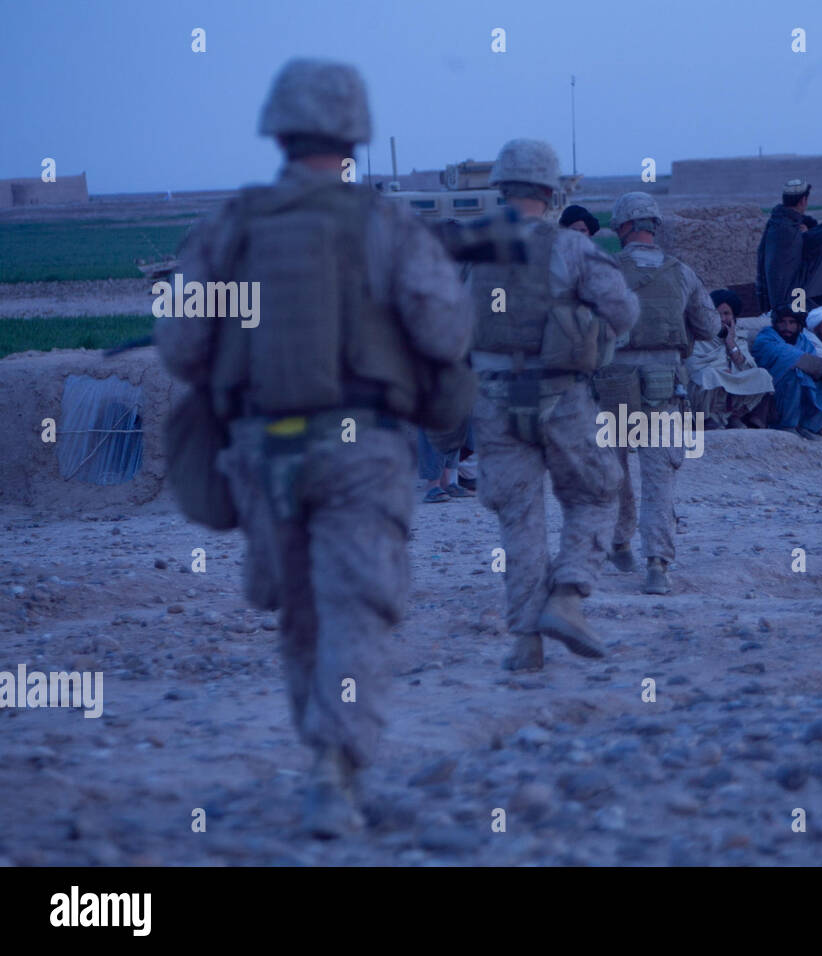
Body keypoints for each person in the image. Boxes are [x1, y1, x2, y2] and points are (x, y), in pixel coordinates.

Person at [153, 59, 474, 838]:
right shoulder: (386, 224)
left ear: (280, 127)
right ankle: (336, 768)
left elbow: (181, 343)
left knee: (298, 609)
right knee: (354, 605)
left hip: (264, 450)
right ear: (354, 131)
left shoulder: (233, 223)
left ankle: (322, 757)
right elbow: (446, 331)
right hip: (361, 445)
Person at [467, 139, 640, 671]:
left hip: (492, 398)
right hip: (560, 395)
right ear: (552, 190)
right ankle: (568, 599)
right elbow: (624, 310)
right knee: (596, 493)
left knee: (518, 519)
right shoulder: (571, 248)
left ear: (500, 187)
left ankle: (525, 643)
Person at [606, 191, 720, 594]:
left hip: (611, 385)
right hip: (662, 387)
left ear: (622, 227)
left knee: (612, 472)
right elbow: (709, 327)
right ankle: (657, 564)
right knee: (658, 477)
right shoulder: (682, 272)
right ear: (654, 226)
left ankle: (618, 543)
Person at [684, 288, 774, 429]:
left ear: (733, 316)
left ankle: (734, 417)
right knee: (709, 376)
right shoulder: (698, 336)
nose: (722, 319)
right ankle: (707, 419)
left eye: (726, 314)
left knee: (762, 375)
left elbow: (748, 366)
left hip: (732, 379)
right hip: (711, 383)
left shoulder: (738, 336)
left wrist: (730, 342)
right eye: (717, 314)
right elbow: (692, 366)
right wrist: (720, 370)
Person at [750, 305, 822, 439]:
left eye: (792, 323)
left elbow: (814, 367)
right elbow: (789, 356)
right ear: (776, 323)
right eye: (782, 322)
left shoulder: (803, 342)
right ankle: (787, 425)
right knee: (793, 375)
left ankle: (809, 426)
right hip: (774, 390)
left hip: (804, 384)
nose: (787, 327)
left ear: (798, 325)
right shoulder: (766, 339)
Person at [755, 179, 822, 312]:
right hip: (791, 300)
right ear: (803, 201)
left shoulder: (778, 223)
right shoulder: (787, 229)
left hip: (786, 295)